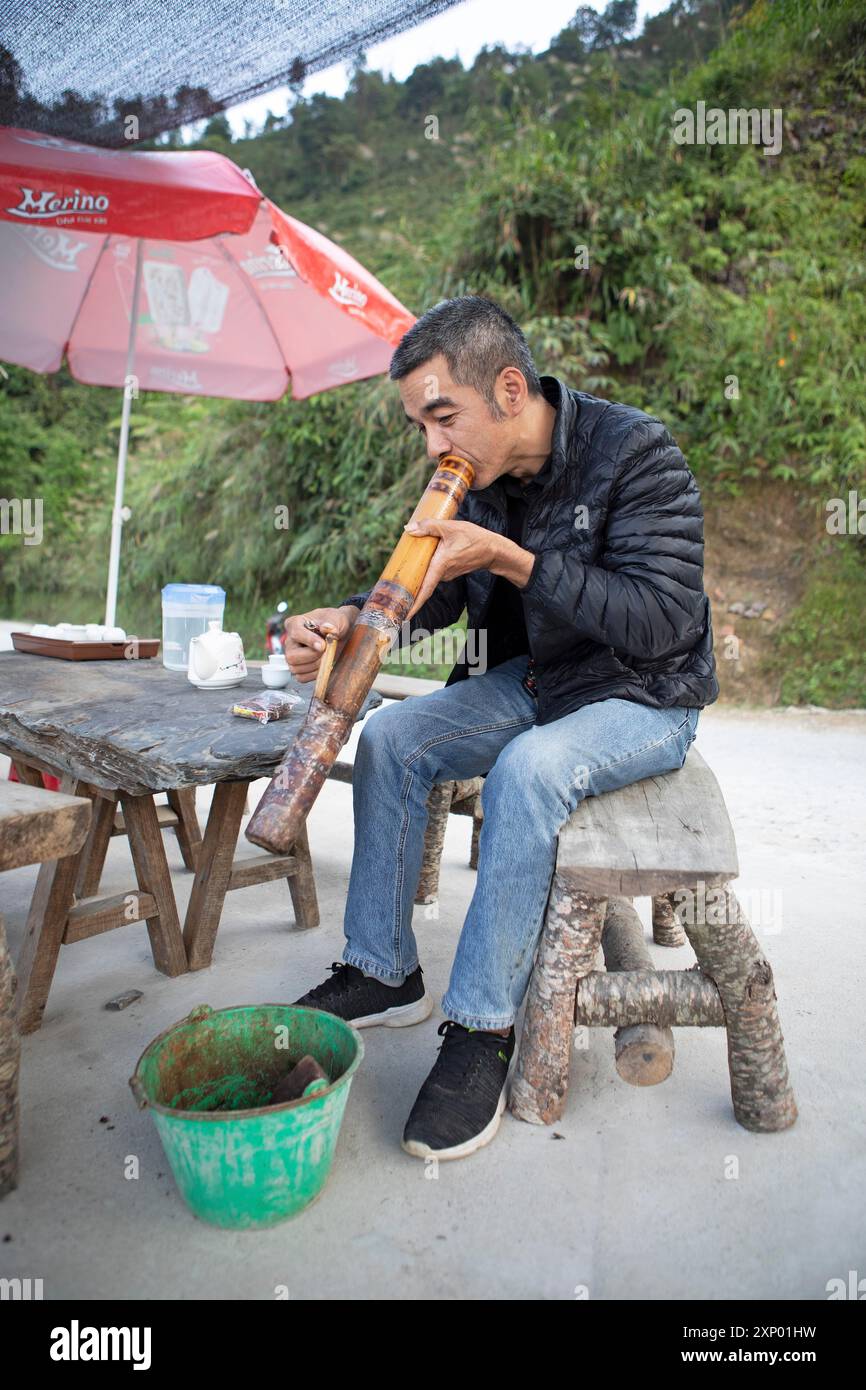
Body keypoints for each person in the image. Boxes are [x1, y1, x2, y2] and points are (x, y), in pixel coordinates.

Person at [283, 295, 718, 1162]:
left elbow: (664, 619)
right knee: (395, 739)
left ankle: (482, 1029)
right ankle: (380, 967)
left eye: (442, 416)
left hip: (642, 694)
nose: (431, 445)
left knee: (527, 771)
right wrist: (344, 618)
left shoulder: (636, 453)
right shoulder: (474, 480)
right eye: (419, 424)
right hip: (536, 679)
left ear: (510, 389)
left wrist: (517, 561)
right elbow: (436, 591)